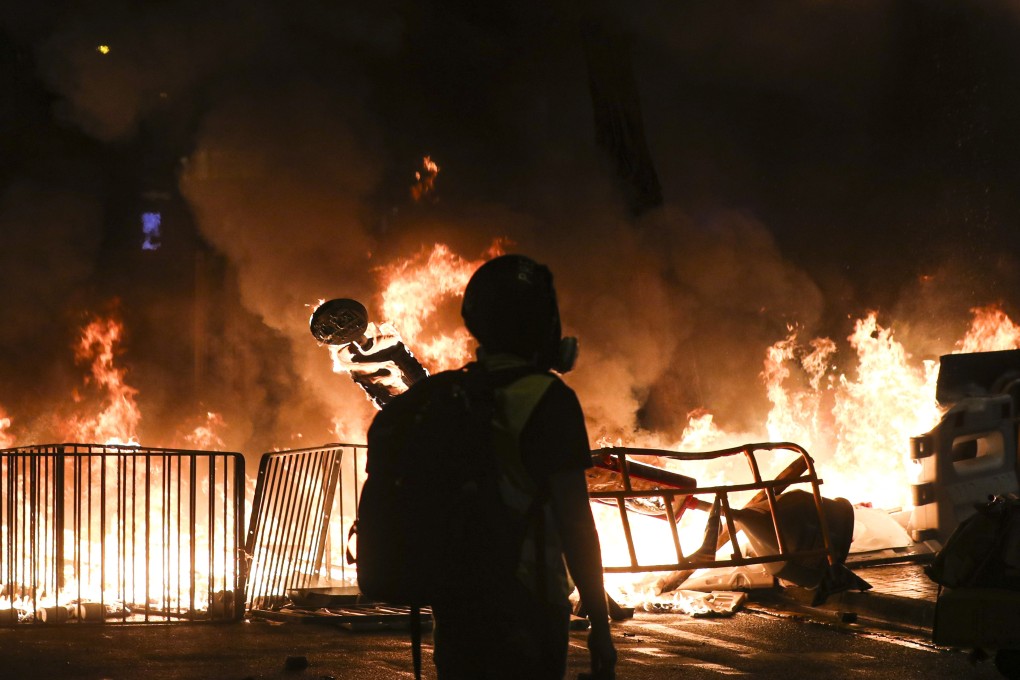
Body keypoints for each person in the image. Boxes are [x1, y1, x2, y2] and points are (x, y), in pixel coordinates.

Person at [430, 254, 617, 680]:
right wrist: (600, 626)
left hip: (456, 611)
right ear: (540, 324)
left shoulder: (454, 394)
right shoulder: (549, 399)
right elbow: (576, 523)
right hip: (528, 608)